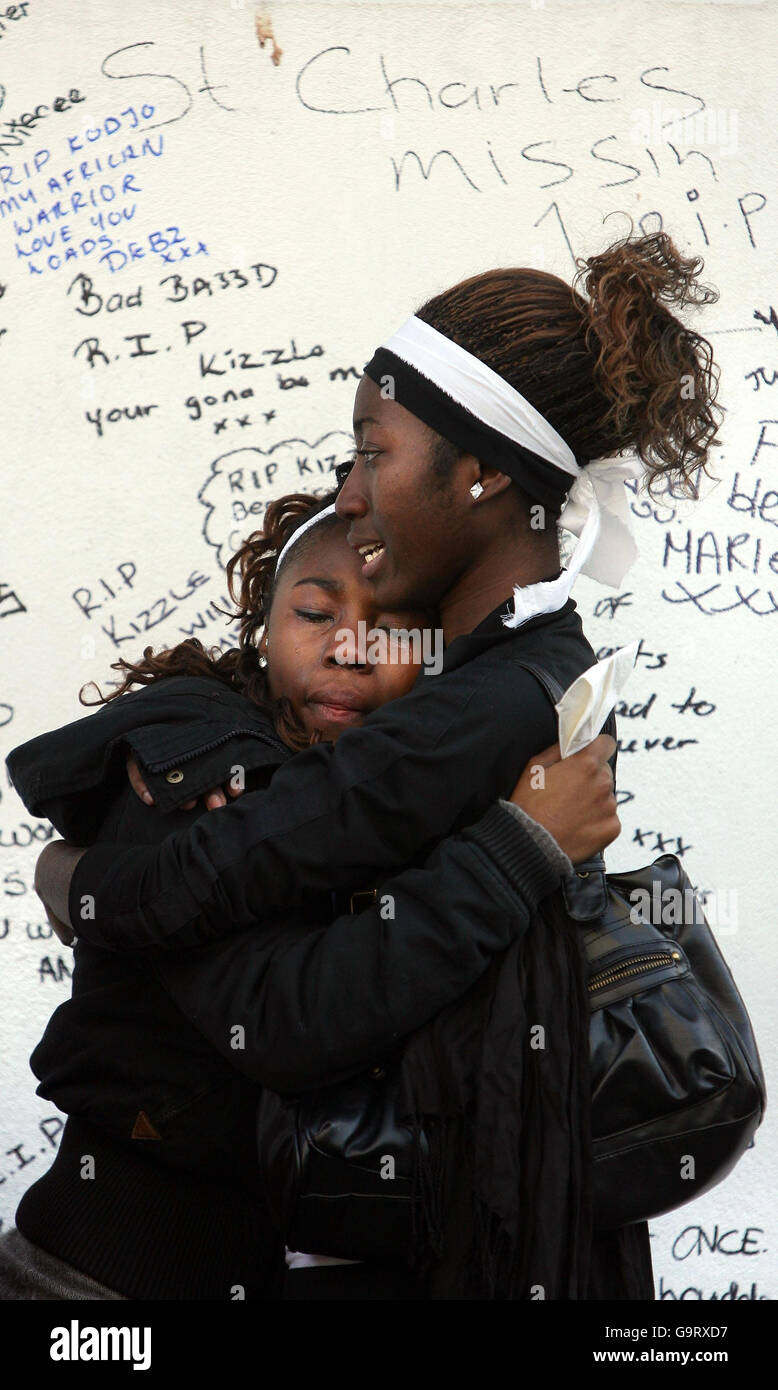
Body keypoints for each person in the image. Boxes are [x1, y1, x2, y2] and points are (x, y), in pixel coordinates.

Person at [30, 230, 721, 1298]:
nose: (352, 492)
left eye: (374, 451)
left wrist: (78, 878)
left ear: (486, 476)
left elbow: (269, 944)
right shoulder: (469, 676)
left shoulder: (495, 698)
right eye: (314, 610)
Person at [1, 491, 613, 1301]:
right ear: (262, 626)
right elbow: (288, 1020)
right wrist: (521, 847)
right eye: (315, 614)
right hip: (100, 1284)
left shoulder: (392, 805)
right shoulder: (194, 769)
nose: (350, 649)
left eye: (392, 629)